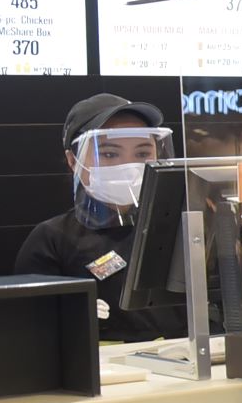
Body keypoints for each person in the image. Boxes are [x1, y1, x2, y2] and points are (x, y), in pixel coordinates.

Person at [14, 94, 183, 341]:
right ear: (74, 161)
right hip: (101, 372)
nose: (128, 165)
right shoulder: (52, 240)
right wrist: (68, 316)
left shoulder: (183, 229)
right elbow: (27, 330)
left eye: (142, 153)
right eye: (110, 154)